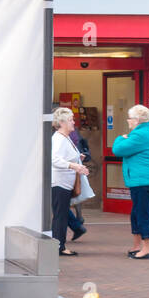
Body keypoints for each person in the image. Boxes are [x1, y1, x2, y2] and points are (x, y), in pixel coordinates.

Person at [112, 104, 149, 259]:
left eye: (130, 118)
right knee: (136, 213)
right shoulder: (148, 132)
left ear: (137, 120)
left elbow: (118, 150)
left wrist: (120, 138)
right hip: (145, 180)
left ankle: (147, 248)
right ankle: (136, 245)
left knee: (142, 213)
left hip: (143, 181)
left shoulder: (140, 134)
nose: (128, 121)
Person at [50, 107, 89, 256]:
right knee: (60, 216)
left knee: (62, 215)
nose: (74, 122)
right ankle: (59, 246)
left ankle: (60, 245)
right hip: (60, 183)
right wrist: (74, 165)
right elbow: (54, 159)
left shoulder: (63, 137)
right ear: (62, 122)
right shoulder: (59, 139)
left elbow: (63, 157)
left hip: (63, 183)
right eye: (71, 119)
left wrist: (77, 158)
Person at [66, 127, 91, 240]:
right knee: (63, 202)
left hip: (67, 170)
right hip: (72, 168)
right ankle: (77, 223)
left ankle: (77, 225)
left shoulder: (61, 134)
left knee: (59, 204)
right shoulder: (71, 131)